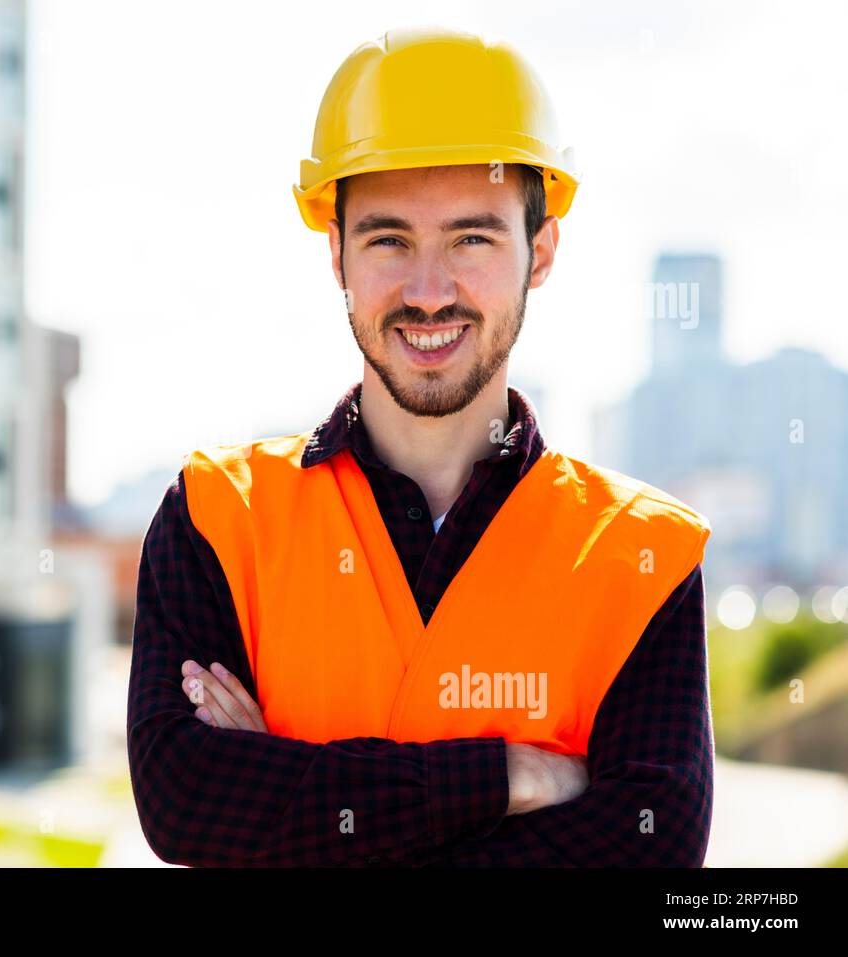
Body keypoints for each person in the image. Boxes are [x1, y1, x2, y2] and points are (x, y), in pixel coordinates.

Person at [126, 28, 713, 867]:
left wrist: (288, 813)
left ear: (539, 253)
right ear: (336, 252)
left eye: (472, 239)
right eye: (388, 239)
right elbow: (185, 799)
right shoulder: (219, 516)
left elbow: (648, 850)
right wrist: (501, 779)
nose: (428, 292)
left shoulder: (642, 555)